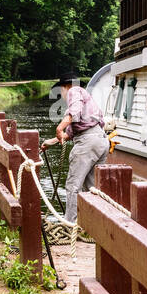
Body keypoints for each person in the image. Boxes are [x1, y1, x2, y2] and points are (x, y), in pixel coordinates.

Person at [41, 75, 109, 224]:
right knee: (92, 188)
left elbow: (74, 111)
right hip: (100, 140)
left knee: (73, 186)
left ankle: (69, 225)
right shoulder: (86, 98)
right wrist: (51, 142)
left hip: (88, 143)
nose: (62, 95)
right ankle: (93, 225)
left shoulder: (74, 91)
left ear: (65, 87)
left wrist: (59, 127)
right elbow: (70, 134)